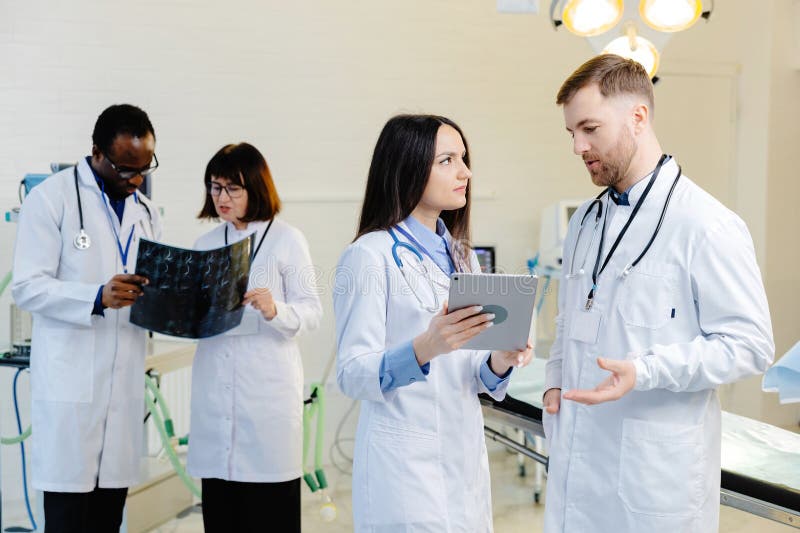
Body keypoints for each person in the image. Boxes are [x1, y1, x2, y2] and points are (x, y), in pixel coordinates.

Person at [542, 54, 775, 532]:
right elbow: (570, 317)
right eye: (571, 133)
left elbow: (750, 346)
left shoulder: (707, 225)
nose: (578, 147)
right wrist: (553, 378)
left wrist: (645, 370)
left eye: (589, 129)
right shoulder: (585, 221)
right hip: (578, 466)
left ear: (638, 117)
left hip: (654, 478)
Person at [334, 114, 533, 532]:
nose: (465, 172)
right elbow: (352, 373)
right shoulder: (369, 256)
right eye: (447, 160)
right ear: (407, 168)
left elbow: (473, 374)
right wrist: (425, 348)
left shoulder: (463, 256)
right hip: (405, 467)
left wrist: (501, 358)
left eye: (463, 158)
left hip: (462, 458)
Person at [12, 104, 161, 532]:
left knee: (109, 517)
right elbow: (27, 286)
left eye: (144, 168)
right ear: (97, 153)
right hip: (71, 393)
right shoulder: (51, 200)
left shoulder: (147, 213)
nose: (135, 180)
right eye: (125, 169)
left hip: (122, 391)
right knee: (67, 518)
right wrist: (96, 297)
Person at [188, 142, 322, 532]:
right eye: (215, 187)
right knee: (221, 510)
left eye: (233, 188)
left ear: (256, 188)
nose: (222, 198)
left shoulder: (286, 239)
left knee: (270, 512)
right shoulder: (205, 245)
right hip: (215, 392)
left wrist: (274, 308)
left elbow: (312, 312)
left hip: (266, 400)